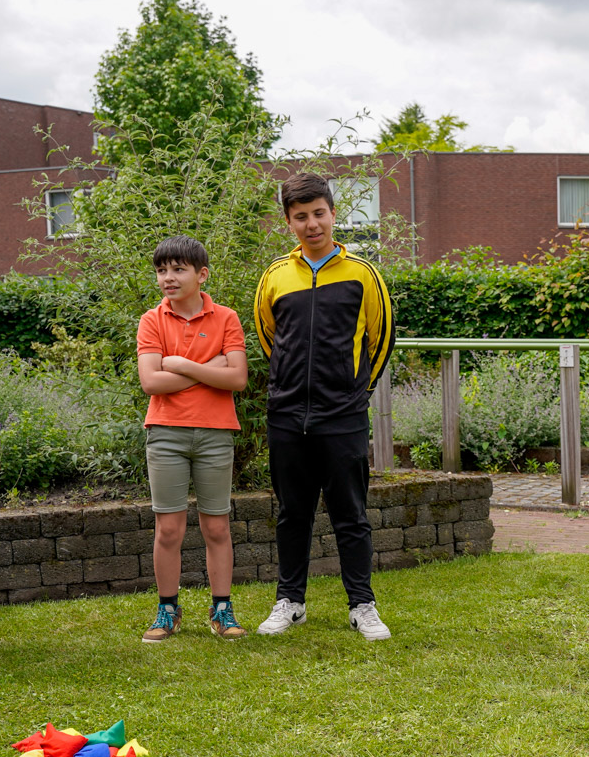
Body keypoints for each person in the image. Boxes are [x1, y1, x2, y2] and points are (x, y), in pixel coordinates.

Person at [251, 172, 395, 640]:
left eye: (318, 214)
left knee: (351, 515)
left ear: (333, 214)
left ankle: (362, 605)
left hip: (343, 415)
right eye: (301, 217)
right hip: (287, 416)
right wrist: (291, 387)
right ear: (289, 222)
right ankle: (290, 602)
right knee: (292, 513)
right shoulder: (275, 276)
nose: (311, 224)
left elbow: (382, 339)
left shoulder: (363, 274)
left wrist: (356, 394)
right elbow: (271, 339)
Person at [135, 235, 250, 642]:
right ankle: (167, 610)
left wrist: (180, 365)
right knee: (169, 530)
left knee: (216, 528)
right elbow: (151, 383)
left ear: (202, 275)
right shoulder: (152, 320)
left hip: (216, 434)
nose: (168, 277)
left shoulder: (227, 318)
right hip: (165, 434)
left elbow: (238, 378)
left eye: (178, 269)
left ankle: (222, 610)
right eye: (161, 270)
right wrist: (210, 366)